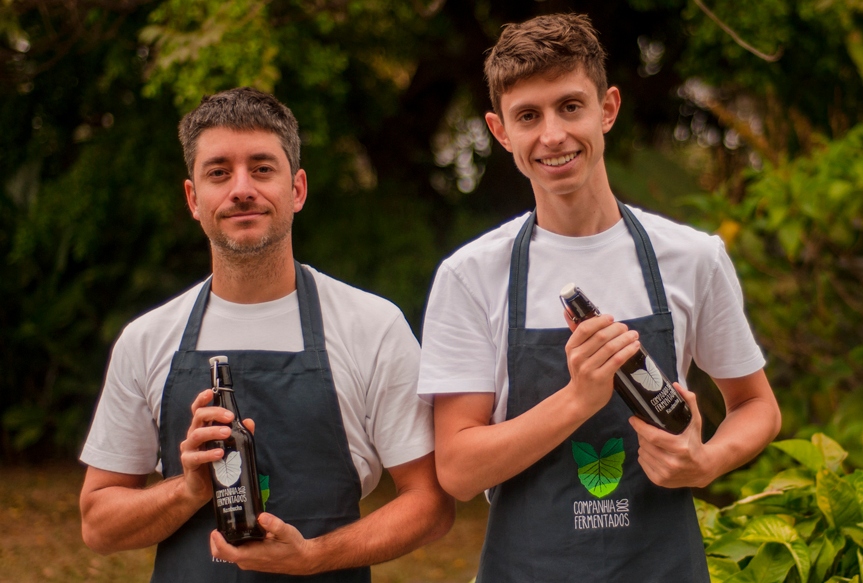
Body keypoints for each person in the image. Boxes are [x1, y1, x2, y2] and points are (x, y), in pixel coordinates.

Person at [417, 13, 781, 583]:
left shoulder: (691, 257)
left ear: (606, 108)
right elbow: (459, 470)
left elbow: (757, 407)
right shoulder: (470, 275)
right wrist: (579, 399)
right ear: (499, 131)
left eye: (570, 106)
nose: (552, 135)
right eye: (528, 116)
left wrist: (706, 461)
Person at [79, 86, 454, 582]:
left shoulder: (372, 327)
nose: (241, 189)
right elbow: (99, 525)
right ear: (194, 198)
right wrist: (188, 488)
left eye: (261, 168)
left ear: (296, 189)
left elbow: (430, 504)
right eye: (218, 172)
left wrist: (314, 556)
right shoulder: (146, 340)